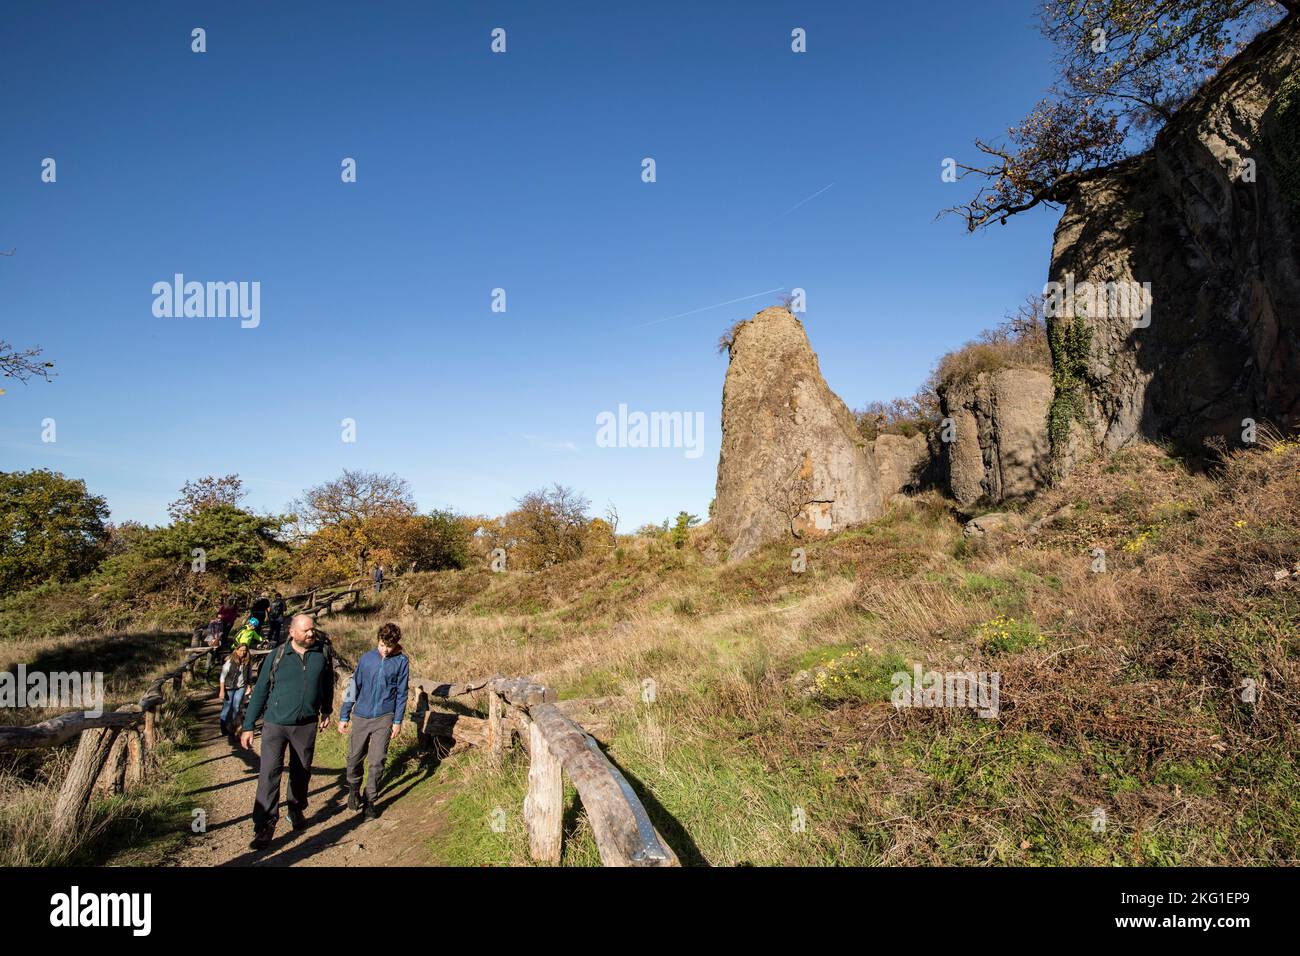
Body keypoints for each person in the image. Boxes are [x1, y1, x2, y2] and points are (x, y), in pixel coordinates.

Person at [240, 614, 336, 851]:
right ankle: (265, 825)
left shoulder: (322, 654)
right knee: (269, 772)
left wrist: (326, 710)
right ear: (292, 632)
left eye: (312, 630)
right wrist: (249, 725)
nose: (311, 634)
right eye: (306, 631)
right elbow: (261, 690)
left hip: (306, 724)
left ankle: (296, 809)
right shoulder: (278, 656)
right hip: (275, 724)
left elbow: (326, 685)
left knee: (301, 770)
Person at [338, 622, 409, 820]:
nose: (385, 650)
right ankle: (354, 789)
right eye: (382, 645)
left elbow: (402, 693)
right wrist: (344, 714)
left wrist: (397, 720)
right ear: (377, 641)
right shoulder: (366, 659)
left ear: (396, 644)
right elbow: (354, 686)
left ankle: (370, 801)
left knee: (377, 761)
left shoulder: (402, 662)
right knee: (354, 758)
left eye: (389, 646)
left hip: (384, 718)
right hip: (361, 715)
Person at [218, 645, 252, 736]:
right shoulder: (229, 661)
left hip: (240, 687)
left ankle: (235, 727)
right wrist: (221, 690)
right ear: (236, 650)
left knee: (236, 707)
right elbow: (222, 677)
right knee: (227, 707)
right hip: (229, 687)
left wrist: (249, 686)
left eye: (245, 650)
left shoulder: (247, 662)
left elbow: (249, 675)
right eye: (241, 650)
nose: (243, 652)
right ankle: (223, 728)